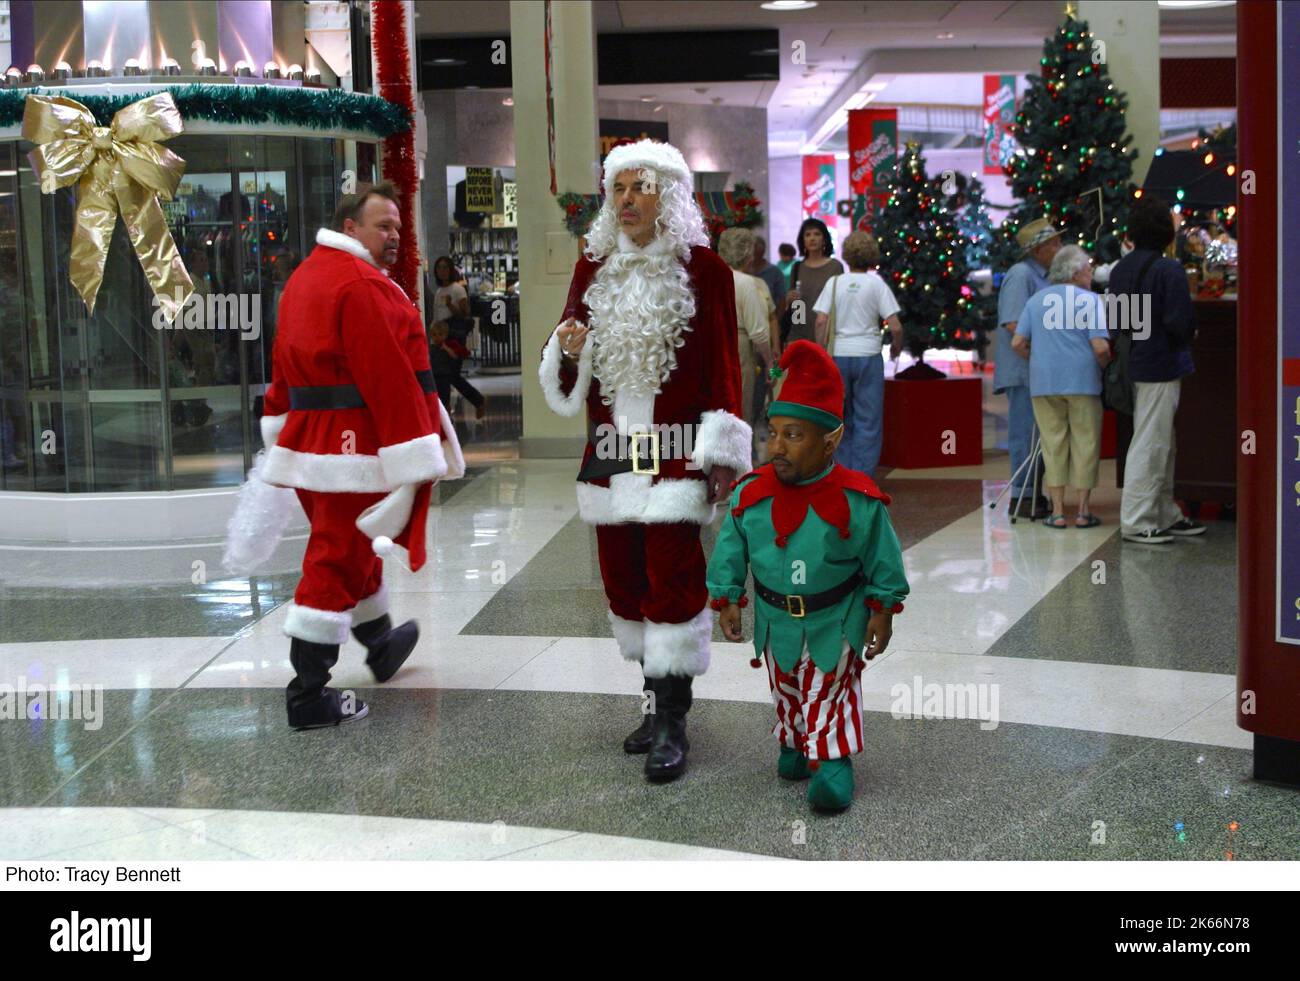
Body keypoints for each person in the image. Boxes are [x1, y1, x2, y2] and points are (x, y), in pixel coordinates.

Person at [538, 139, 750, 783]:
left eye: (640, 188)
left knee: (673, 577)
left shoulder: (705, 272)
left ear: (670, 196)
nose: (626, 200)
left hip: (675, 453)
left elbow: (723, 364)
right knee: (624, 580)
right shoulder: (591, 268)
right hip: (610, 452)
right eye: (618, 189)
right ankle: (654, 699)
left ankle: (672, 721)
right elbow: (567, 363)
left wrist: (720, 453)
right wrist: (568, 350)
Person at [258, 182, 465, 728]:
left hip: (311, 445)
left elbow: (280, 365)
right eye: (383, 225)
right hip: (354, 447)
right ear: (350, 227)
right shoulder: (360, 286)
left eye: (398, 226)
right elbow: (389, 377)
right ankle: (307, 693)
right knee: (337, 556)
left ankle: (379, 643)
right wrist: (417, 455)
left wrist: (277, 427)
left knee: (354, 543)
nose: (394, 235)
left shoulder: (305, 278)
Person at [707, 340, 909, 813]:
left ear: (830, 441)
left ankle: (832, 762)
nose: (776, 446)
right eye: (773, 432)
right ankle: (795, 744)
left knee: (827, 691)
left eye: (793, 436)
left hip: (834, 621)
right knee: (785, 687)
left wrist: (882, 609)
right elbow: (730, 548)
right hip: (775, 621)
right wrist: (728, 595)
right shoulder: (750, 495)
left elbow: (884, 560)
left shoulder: (858, 501)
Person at [1107, 195, 1204, 544]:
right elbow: (1180, 322)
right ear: (1165, 233)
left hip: (1133, 362)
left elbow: (1117, 322)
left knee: (1159, 440)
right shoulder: (1169, 270)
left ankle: (1164, 513)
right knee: (1152, 442)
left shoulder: (1120, 269)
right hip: (1161, 363)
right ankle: (1137, 519)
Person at [1011, 245, 1111, 528]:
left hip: (1044, 384)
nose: (1091, 274)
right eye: (1089, 270)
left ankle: (1056, 512)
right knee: (1085, 443)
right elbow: (1100, 346)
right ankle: (1082, 511)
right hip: (1083, 382)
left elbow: (1017, 343)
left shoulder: (1035, 301)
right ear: (1076, 272)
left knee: (1052, 444)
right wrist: (1104, 366)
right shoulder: (1090, 301)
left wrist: (1038, 359)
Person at [812, 230, 903, 478]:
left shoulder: (834, 283)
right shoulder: (876, 284)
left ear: (847, 255)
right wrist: (896, 346)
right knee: (868, 420)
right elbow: (895, 325)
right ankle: (862, 478)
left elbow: (821, 321)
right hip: (868, 356)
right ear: (871, 256)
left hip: (839, 356)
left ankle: (842, 474)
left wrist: (822, 351)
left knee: (840, 418)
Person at [996, 218, 1059, 518]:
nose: (1059, 248)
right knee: (1025, 434)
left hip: (1035, 367)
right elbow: (1013, 323)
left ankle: (1034, 494)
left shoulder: (1043, 276)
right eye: (1054, 244)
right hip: (1023, 370)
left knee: (1037, 434)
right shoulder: (1021, 274)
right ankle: (1022, 497)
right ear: (1039, 249)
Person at [719, 227, 774, 436]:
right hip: (739, 347)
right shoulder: (747, 283)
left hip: (713, 346)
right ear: (748, 254)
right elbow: (758, 332)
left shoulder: (713, 277)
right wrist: (770, 364)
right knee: (740, 411)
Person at [782, 219, 844, 346]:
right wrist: (789, 299)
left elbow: (840, 302)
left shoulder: (835, 267)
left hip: (826, 334)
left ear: (824, 239)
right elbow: (796, 305)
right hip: (799, 334)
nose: (812, 238)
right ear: (803, 240)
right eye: (808, 235)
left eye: (817, 234)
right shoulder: (797, 266)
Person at [429, 320, 486, 420]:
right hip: (439, 372)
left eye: (439, 335)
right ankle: (478, 401)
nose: (437, 337)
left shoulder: (449, 345)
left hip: (447, 366)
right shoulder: (432, 348)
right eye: (434, 335)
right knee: (453, 382)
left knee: (452, 381)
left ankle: (478, 401)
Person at [431, 256, 473, 342]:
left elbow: (465, 314)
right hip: (440, 337)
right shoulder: (439, 291)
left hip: (454, 336)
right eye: (439, 268)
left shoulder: (458, 289)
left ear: (450, 270)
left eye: (445, 267)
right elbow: (436, 315)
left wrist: (450, 305)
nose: (442, 271)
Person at [750, 234, 788, 314]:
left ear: (762, 253)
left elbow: (782, 299)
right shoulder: (742, 270)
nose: (751, 258)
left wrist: (777, 320)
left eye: (754, 254)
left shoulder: (775, 272)